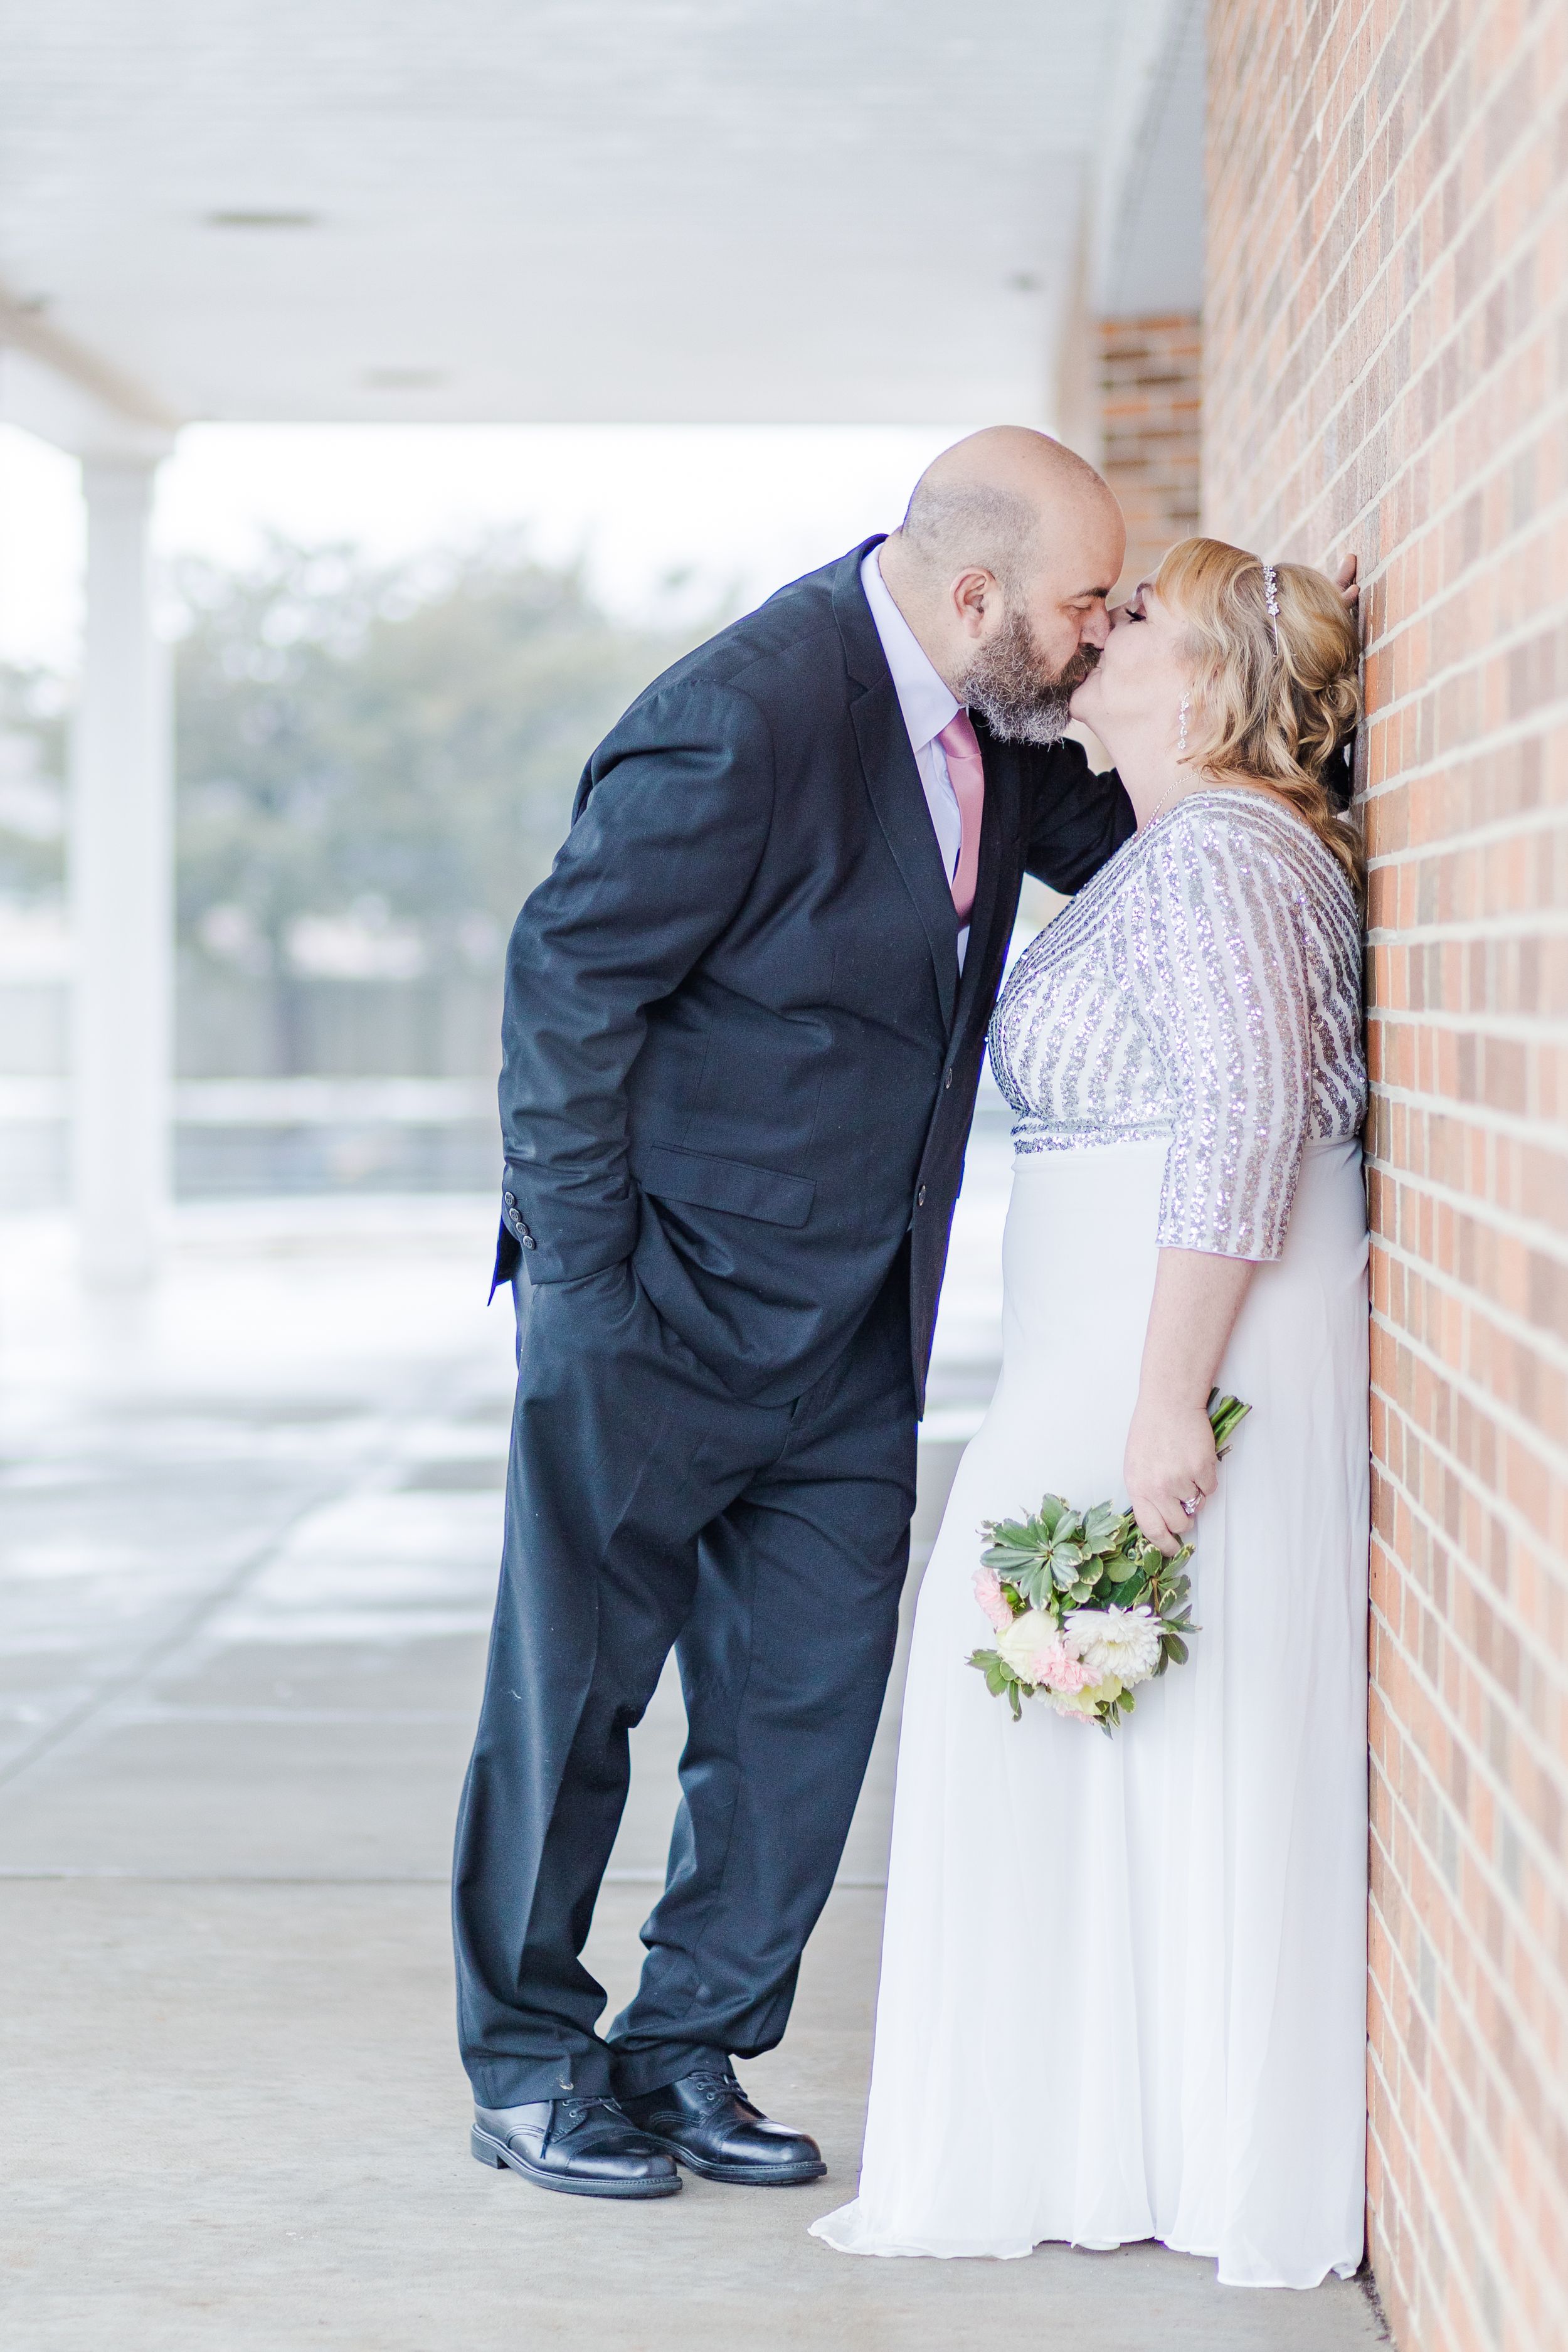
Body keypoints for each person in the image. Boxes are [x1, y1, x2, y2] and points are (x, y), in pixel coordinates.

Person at [451, 428, 1138, 2198]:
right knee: (573, 1704)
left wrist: (1285, 721)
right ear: (975, 593)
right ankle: (528, 2066)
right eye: (1087, 605)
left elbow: (1146, 830)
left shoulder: (997, 710)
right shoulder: (743, 713)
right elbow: (566, 985)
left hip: (852, 1328)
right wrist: (588, 1290)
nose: (1100, 634)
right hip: (654, 1313)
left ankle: (687, 2048)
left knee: (802, 1711)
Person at [811, 538, 1369, 2287]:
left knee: (1125, 1707)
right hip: (1102, 1339)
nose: (1101, 631)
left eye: (1138, 619)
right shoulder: (1179, 846)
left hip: (1164, 1344)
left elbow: (1245, 1123)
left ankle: (1178, 2145)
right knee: (1079, 1716)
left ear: (1204, 689)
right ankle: (1095, 2134)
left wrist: (1164, 1403)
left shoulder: (1227, 855)